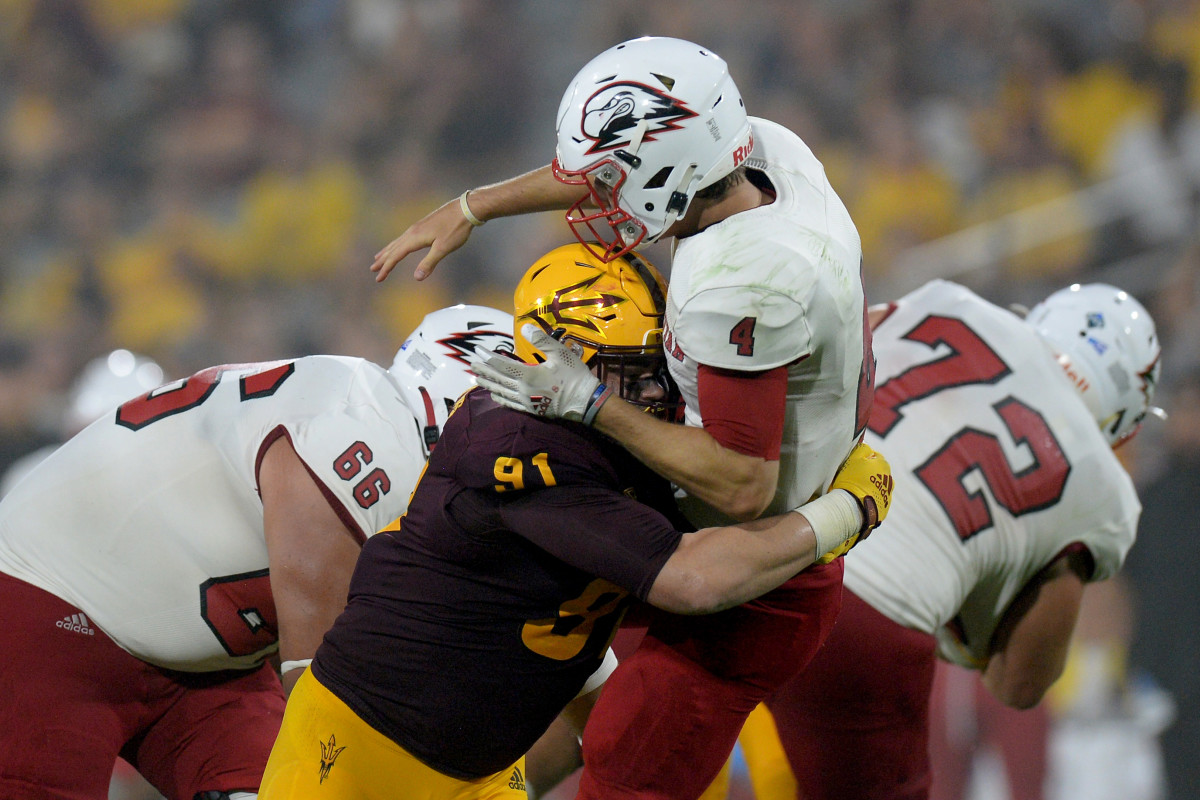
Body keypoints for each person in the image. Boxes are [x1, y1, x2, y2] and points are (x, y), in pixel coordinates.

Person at [374, 37, 876, 799]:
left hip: (751, 572)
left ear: (672, 170)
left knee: (623, 761)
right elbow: (628, 166)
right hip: (706, 516)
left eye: (609, 182)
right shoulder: (766, 154)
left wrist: (591, 402)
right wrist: (476, 206)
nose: (592, 201)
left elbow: (742, 485)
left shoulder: (737, 285)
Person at [258, 244, 891, 800]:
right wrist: (846, 510)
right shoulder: (511, 443)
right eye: (630, 372)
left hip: (484, 771)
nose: (656, 392)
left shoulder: (612, 436)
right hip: (354, 748)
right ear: (555, 361)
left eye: (659, 368)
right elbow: (693, 579)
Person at [0, 304, 516, 800]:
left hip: (204, 666)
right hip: (55, 607)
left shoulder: (386, 432)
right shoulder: (364, 432)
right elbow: (323, 687)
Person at [751, 280, 1162, 800]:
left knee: (671, 761)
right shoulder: (1102, 489)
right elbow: (1020, 683)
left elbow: (815, 367)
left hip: (755, 535)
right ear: (1125, 418)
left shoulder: (948, 301)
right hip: (865, 613)